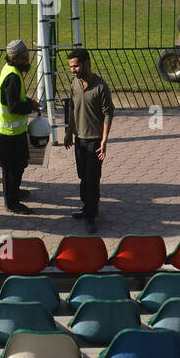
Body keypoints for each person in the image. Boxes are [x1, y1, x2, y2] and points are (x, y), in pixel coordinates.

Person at [63, 48, 114, 233]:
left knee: (92, 180)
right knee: (83, 178)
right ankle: (87, 208)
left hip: (94, 141)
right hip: (79, 139)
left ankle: (92, 215)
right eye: (71, 66)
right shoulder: (74, 84)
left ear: (87, 63)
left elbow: (109, 113)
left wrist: (104, 140)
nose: (73, 70)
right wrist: (69, 131)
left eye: (76, 65)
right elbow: (72, 108)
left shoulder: (101, 87)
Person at [0, 38, 41, 214]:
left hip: (15, 130)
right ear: (13, 58)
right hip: (9, 131)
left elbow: (16, 99)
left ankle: (15, 192)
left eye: (27, 56)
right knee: (11, 168)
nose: (27, 60)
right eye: (23, 58)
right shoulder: (12, 76)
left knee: (19, 164)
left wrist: (29, 102)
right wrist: (31, 106)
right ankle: (11, 202)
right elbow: (13, 106)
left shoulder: (13, 70)